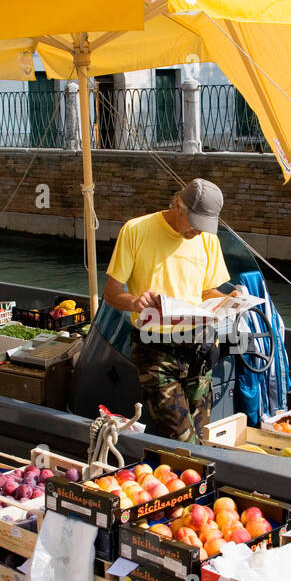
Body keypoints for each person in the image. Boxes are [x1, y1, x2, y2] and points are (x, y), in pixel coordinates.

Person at [103, 178, 234, 442]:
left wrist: (229, 299)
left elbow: (207, 291)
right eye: (195, 223)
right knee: (182, 440)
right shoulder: (136, 230)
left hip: (199, 347)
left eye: (204, 226)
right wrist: (134, 302)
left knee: (203, 437)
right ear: (178, 204)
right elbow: (111, 292)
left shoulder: (207, 239)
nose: (198, 232)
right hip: (156, 350)